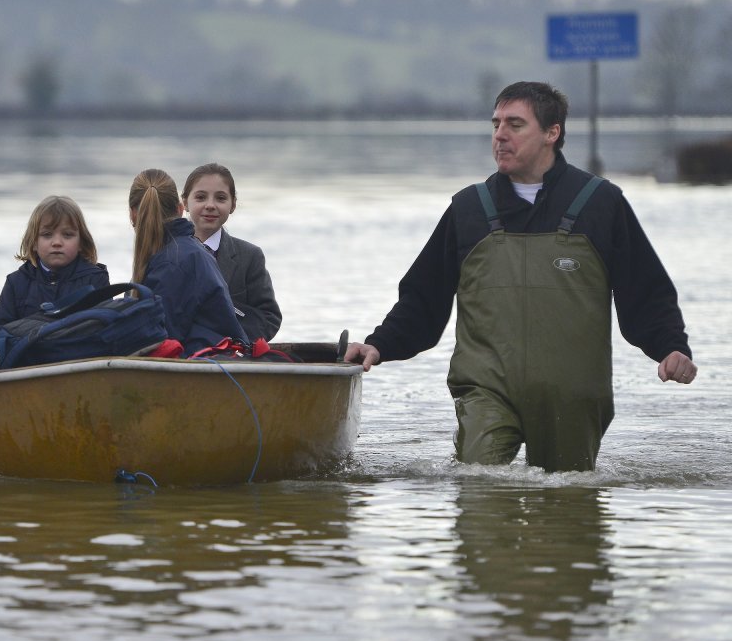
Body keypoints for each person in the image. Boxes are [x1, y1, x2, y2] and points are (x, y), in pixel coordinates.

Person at [345, 81, 696, 473]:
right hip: (486, 389)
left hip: (573, 395)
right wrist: (379, 344)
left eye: (515, 124)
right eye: (496, 124)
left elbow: (645, 292)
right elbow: (423, 299)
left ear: (552, 132)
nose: (500, 135)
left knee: (569, 503)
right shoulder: (468, 209)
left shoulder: (601, 203)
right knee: (479, 485)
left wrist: (670, 347)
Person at [128, 168, 245, 354]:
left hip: (208, 361)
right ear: (180, 209)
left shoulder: (171, 264)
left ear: (133, 214)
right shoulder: (185, 251)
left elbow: (161, 338)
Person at [0, 195, 110, 355]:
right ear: (33, 243)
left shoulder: (95, 279)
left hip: (80, 360)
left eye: (67, 235)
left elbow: (107, 329)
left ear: (81, 243)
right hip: (29, 362)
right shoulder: (16, 282)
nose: (57, 242)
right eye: (47, 234)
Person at [182, 162, 282, 341]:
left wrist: (230, 337)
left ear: (233, 204)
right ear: (185, 203)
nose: (210, 205)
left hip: (230, 351)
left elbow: (269, 318)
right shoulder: (164, 251)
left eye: (220, 198)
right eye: (201, 197)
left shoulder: (250, 256)